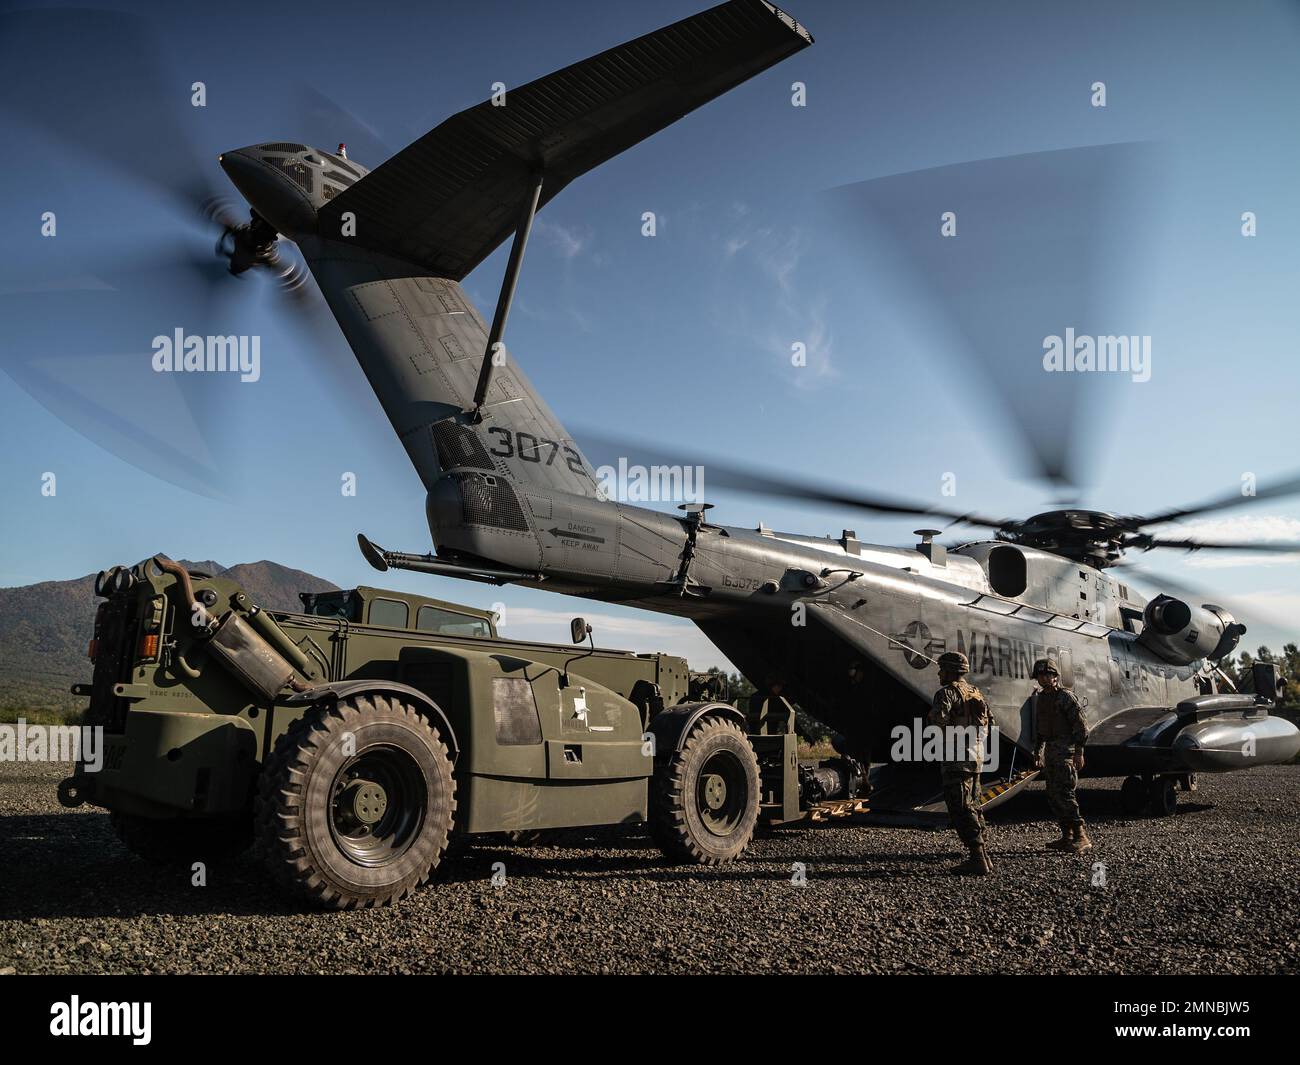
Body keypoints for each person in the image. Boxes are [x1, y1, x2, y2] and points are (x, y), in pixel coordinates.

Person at [928, 651, 993, 875]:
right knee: (974, 804)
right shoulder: (975, 692)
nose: (939, 673)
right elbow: (990, 722)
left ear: (950, 671)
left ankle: (976, 858)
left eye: (941, 669)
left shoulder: (946, 693)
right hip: (975, 756)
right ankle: (983, 855)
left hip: (955, 757)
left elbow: (937, 722)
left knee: (960, 807)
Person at [1031, 657, 1091, 854]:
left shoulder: (1066, 697)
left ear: (1055, 677)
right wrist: (1038, 752)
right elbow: (1040, 728)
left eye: (1046, 675)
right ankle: (1067, 836)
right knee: (1053, 794)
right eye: (1040, 675)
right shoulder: (1041, 699)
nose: (1043, 678)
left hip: (1066, 750)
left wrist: (1079, 752)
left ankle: (1081, 836)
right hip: (1050, 751)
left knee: (1065, 793)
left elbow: (1081, 727)